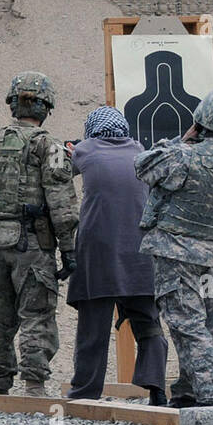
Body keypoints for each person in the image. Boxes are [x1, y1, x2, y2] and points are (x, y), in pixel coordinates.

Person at [135, 87, 213, 408]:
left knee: (187, 325)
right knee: (203, 323)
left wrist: (181, 140)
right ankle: (188, 388)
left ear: (202, 120)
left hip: (176, 255)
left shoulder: (183, 156)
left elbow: (143, 166)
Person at [0, 72, 79, 397]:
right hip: (32, 246)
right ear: (46, 107)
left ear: (12, 104)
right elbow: (62, 203)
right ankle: (34, 387)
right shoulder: (49, 145)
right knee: (36, 315)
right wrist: (71, 250)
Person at [66, 106, 167, 404]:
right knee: (148, 323)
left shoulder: (85, 150)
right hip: (141, 253)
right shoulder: (139, 150)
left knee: (93, 330)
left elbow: (64, 163)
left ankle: (85, 395)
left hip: (99, 253)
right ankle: (157, 389)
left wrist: (70, 149)